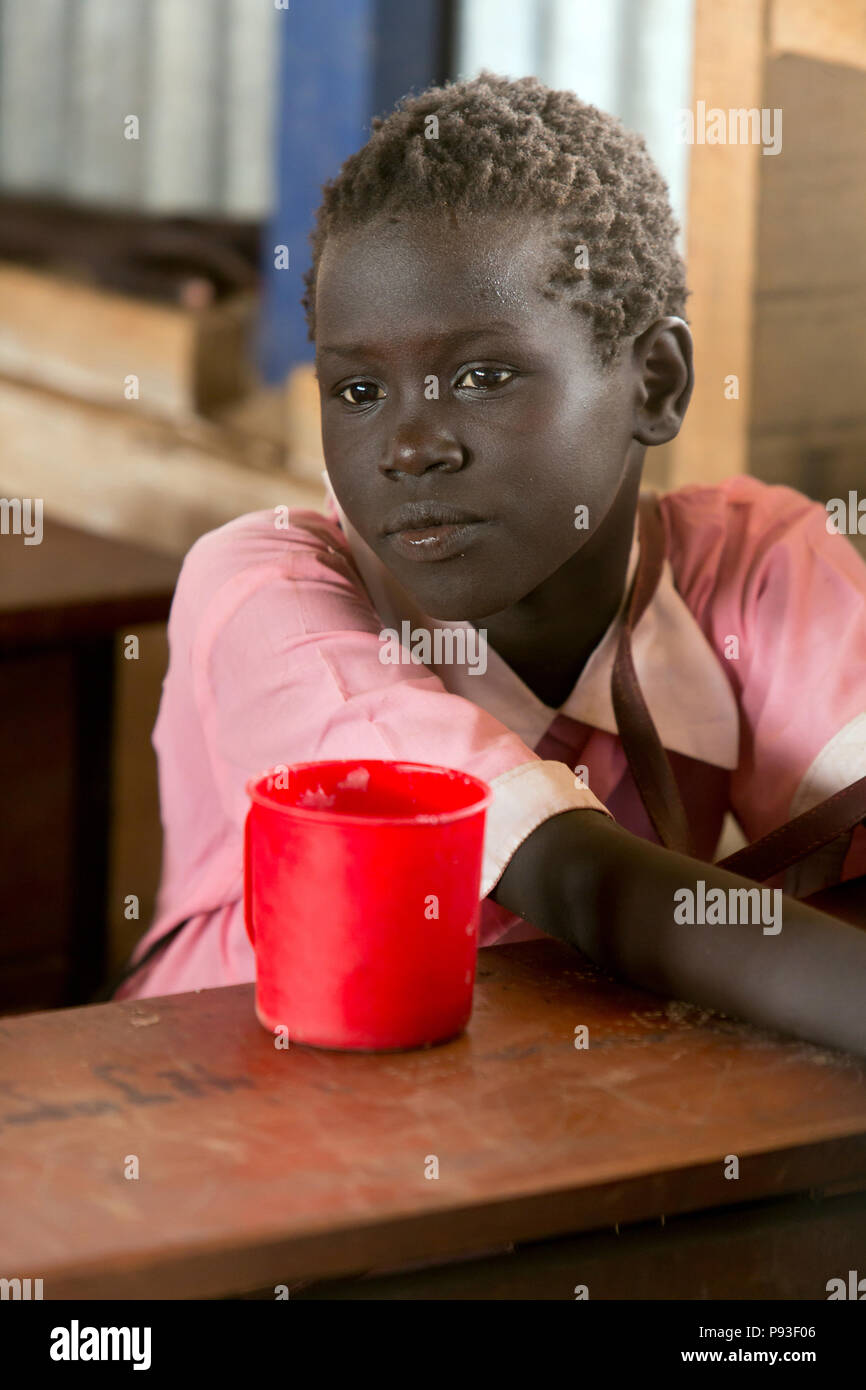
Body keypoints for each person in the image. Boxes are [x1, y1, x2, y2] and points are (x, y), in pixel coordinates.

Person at [116, 74, 866, 1057]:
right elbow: (582, 884)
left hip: (548, 1136)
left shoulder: (750, 561)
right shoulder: (262, 592)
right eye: (355, 389)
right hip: (227, 1155)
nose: (407, 446)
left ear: (655, 383)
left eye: (480, 375)